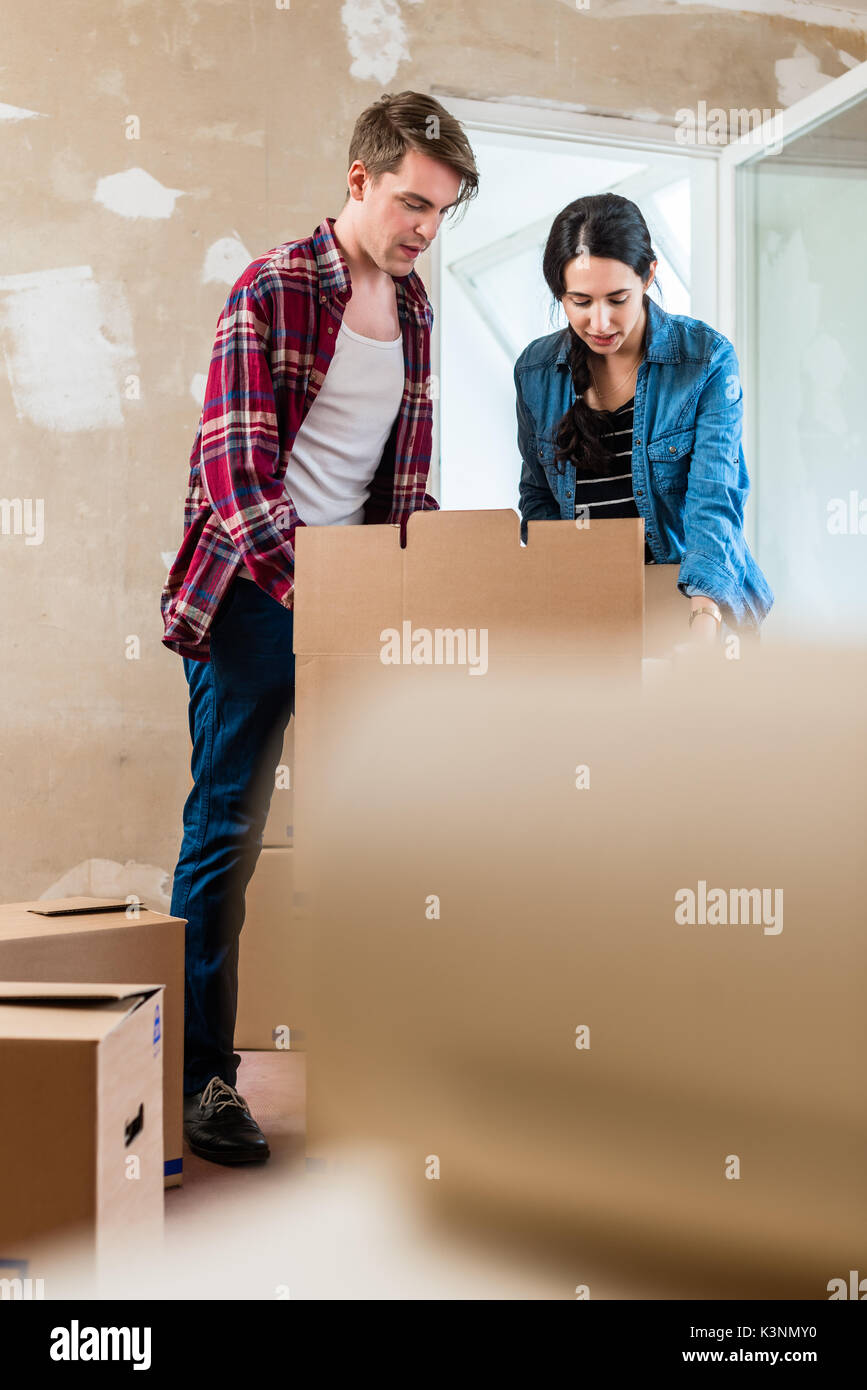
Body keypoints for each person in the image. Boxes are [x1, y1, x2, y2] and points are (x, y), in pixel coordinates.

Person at [161, 92, 479, 1165]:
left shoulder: (421, 309)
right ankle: (204, 1080)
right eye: (410, 203)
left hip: (357, 601)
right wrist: (324, 595)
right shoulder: (272, 287)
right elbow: (239, 478)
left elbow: (408, 476)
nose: (423, 229)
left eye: (440, 212)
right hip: (257, 596)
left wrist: (407, 589)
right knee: (227, 840)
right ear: (359, 181)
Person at [516, 193, 773, 641]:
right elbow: (537, 497)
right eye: (580, 301)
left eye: (618, 299)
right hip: (591, 617)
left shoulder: (705, 360)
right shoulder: (535, 371)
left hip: (696, 607)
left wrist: (703, 626)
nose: (600, 322)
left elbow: (714, 502)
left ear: (649, 275)